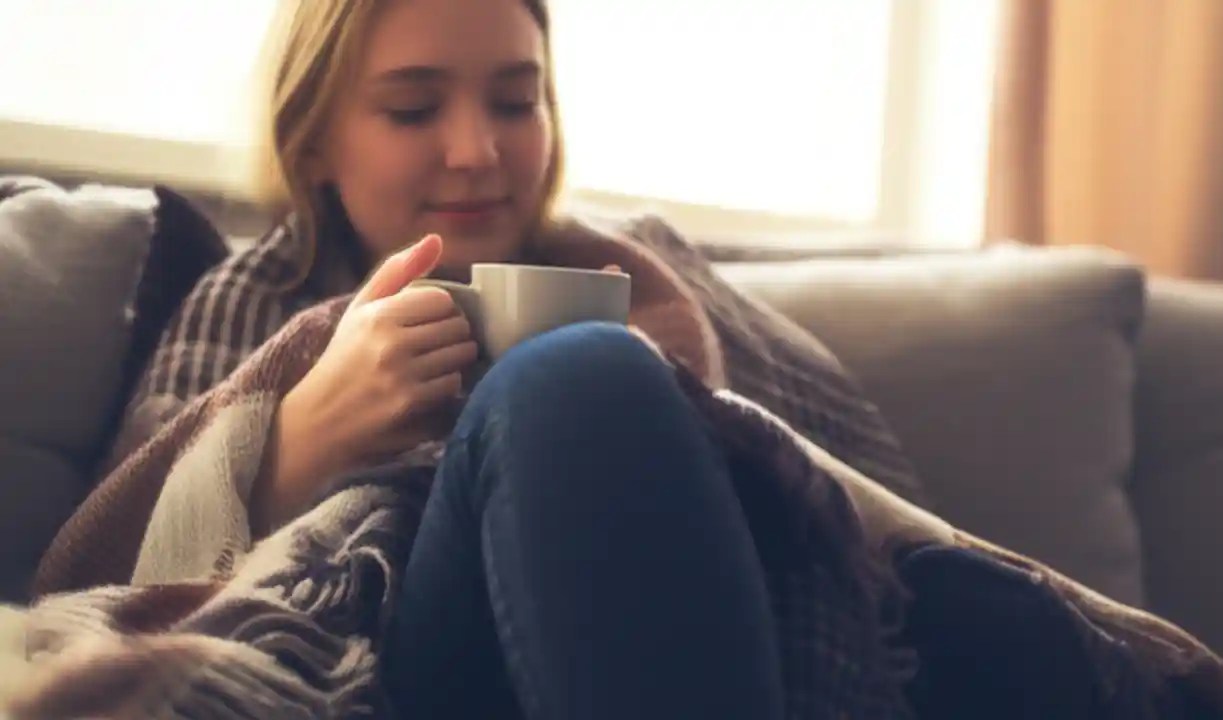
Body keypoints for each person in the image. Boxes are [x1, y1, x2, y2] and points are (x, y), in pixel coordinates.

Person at [102, 0, 810, 717]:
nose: (476, 150)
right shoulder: (246, 308)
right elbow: (110, 586)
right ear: (312, 139)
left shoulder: (645, 279)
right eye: (412, 109)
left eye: (515, 102)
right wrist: (298, 442)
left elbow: (855, 532)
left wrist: (631, 404)